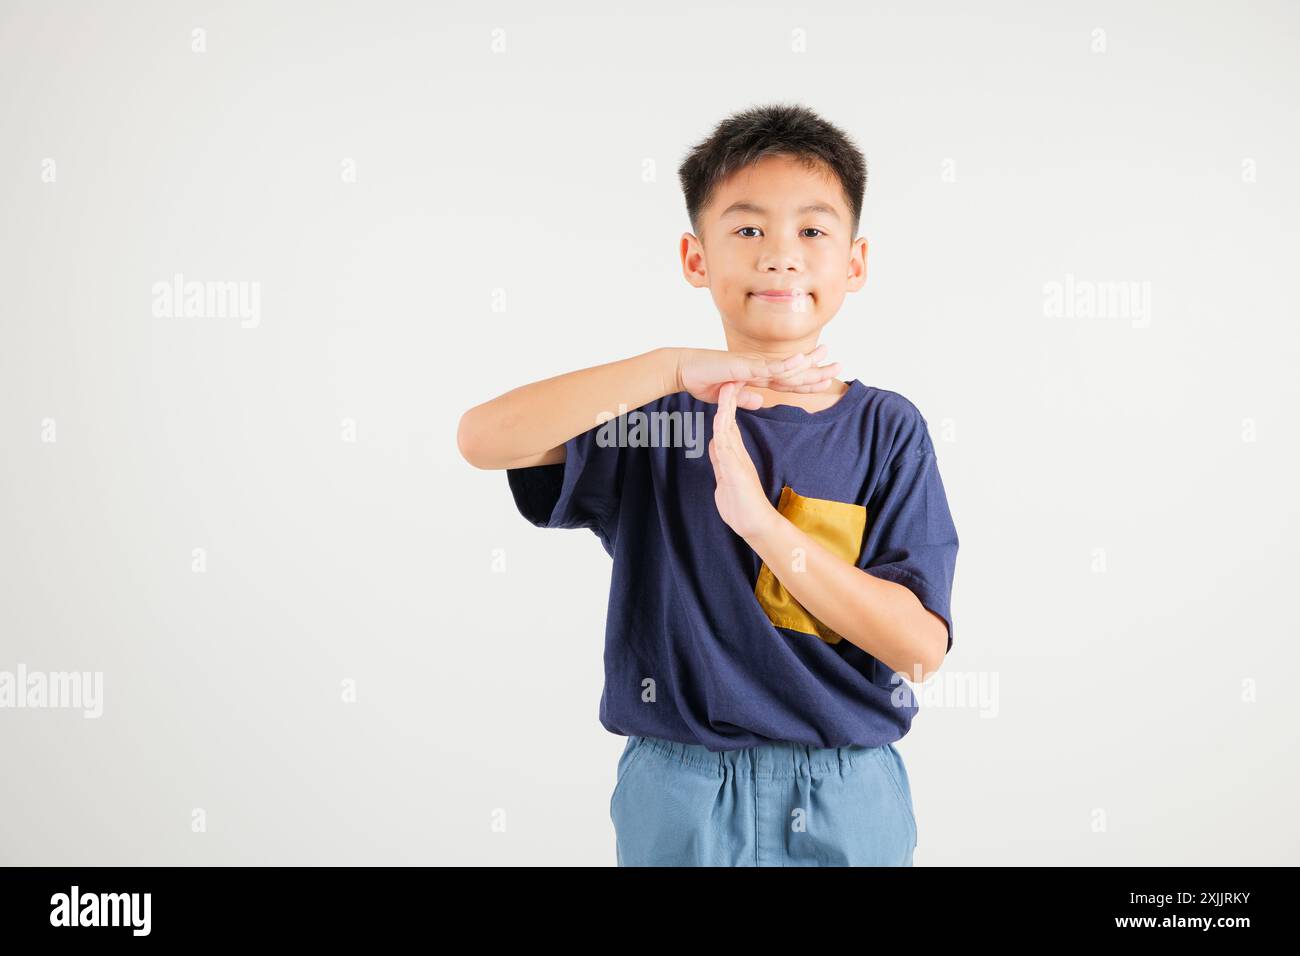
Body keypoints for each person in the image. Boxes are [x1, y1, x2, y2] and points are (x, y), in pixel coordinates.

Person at [457, 103, 959, 866]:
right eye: (748, 230)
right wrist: (668, 368)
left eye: (813, 231)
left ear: (854, 263)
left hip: (847, 789)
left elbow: (920, 650)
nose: (781, 256)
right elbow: (483, 438)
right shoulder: (657, 418)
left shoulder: (887, 429)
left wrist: (762, 525)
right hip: (677, 789)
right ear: (697, 258)